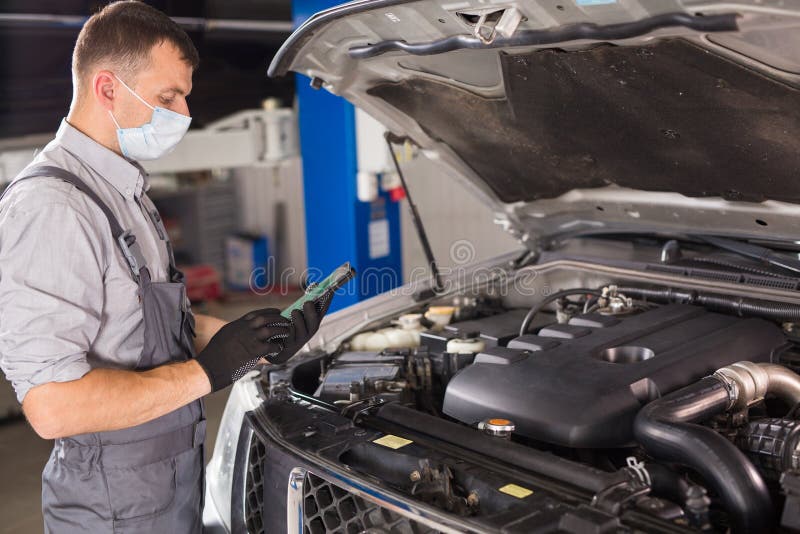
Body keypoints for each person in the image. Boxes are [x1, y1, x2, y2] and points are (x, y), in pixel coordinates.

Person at [0, 2, 325, 531]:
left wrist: (258, 342)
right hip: (112, 511)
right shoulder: (53, 208)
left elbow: (149, 326)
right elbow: (52, 406)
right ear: (107, 88)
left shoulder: (125, 192)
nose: (183, 113)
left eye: (184, 97)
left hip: (169, 489)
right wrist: (209, 371)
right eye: (167, 97)